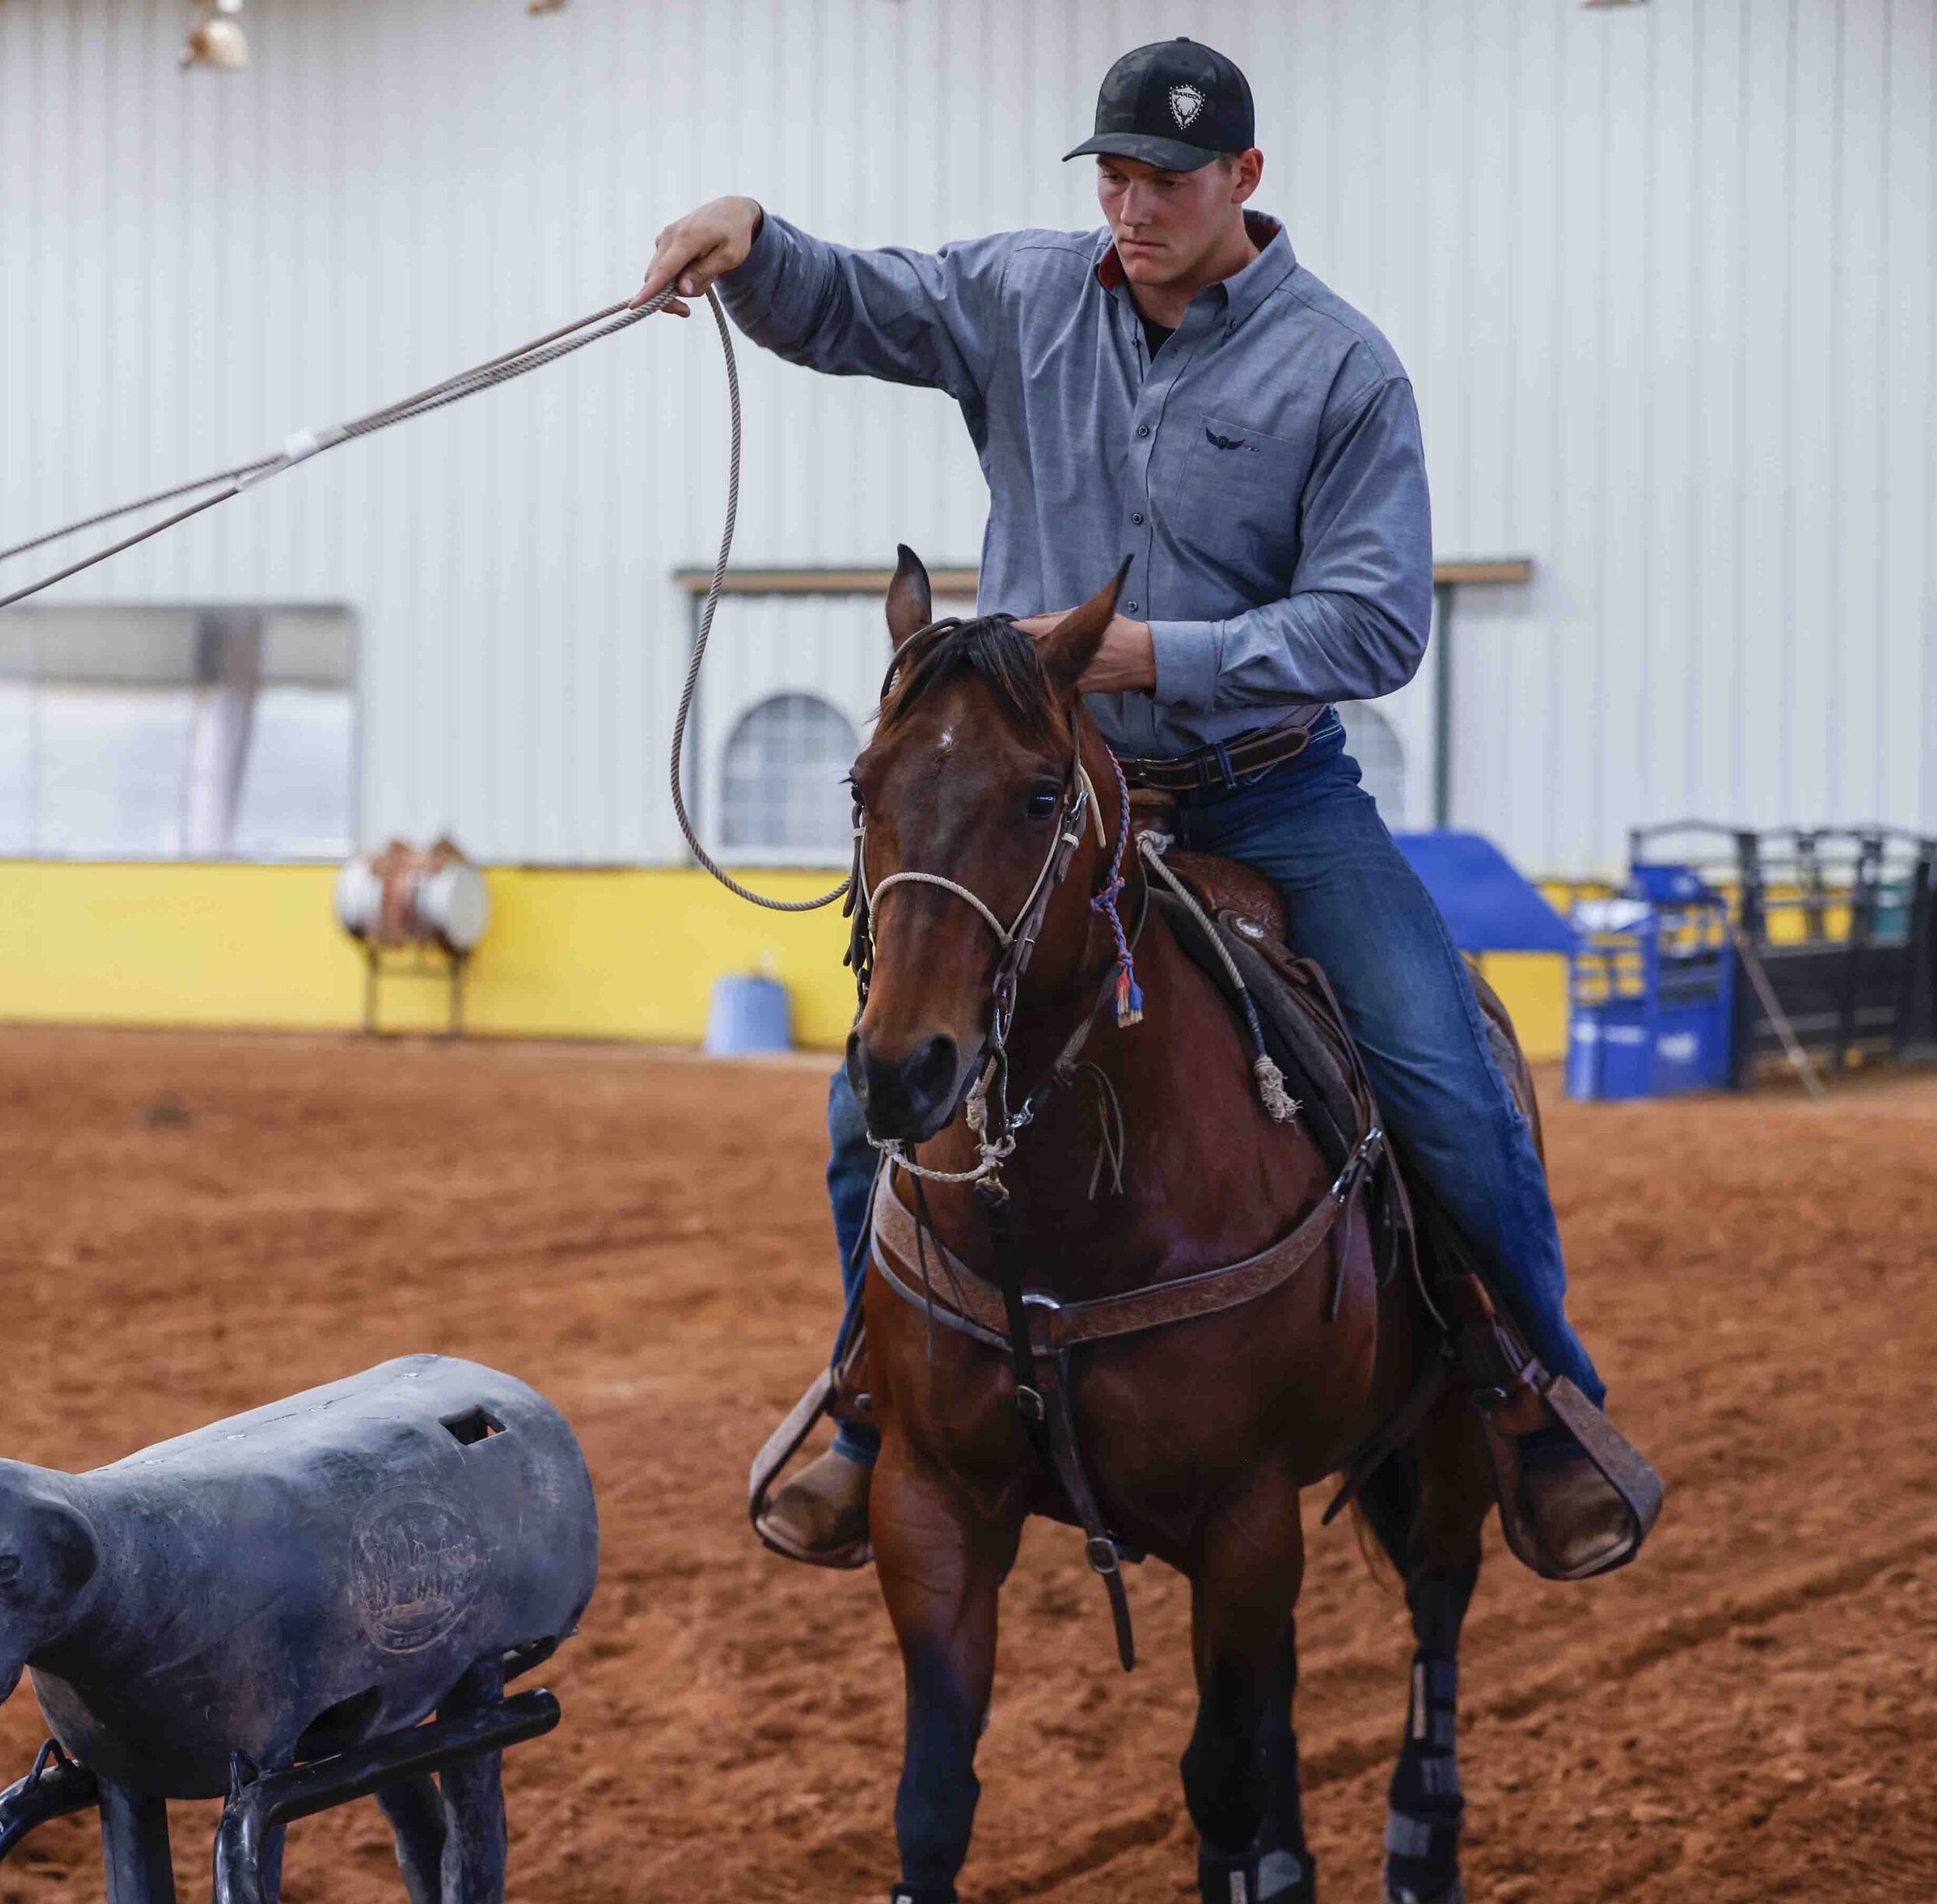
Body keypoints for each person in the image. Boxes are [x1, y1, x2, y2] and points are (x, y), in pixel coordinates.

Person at [638, 37, 1645, 1576]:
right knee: (870, 1097)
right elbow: (855, 302)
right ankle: (872, 1399)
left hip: (1268, 792)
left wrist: (1159, 655)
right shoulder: (1022, 298)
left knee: (1442, 1071)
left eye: (1167, 180)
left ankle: (1535, 1398)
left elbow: (1376, 623)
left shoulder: (1341, 370)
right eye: (1112, 175)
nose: (1132, 207)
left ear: (1243, 178)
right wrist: (754, 241)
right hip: (1047, 808)